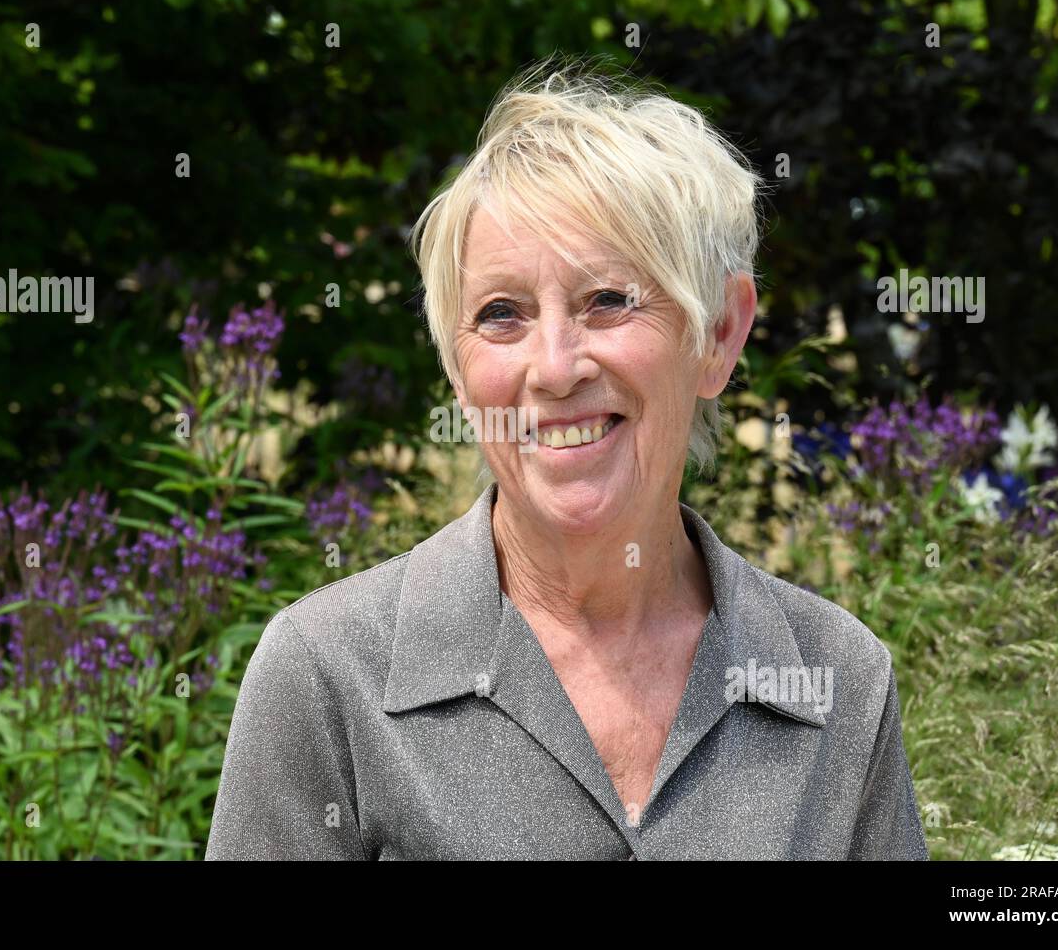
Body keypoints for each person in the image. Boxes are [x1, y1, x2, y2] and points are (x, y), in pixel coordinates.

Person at [206, 55, 929, 860]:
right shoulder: (327, 675)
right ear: (456, 365)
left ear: (719, 333)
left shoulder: (836, 680)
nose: (555, 367)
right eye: (502, 313)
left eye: (608, 300)